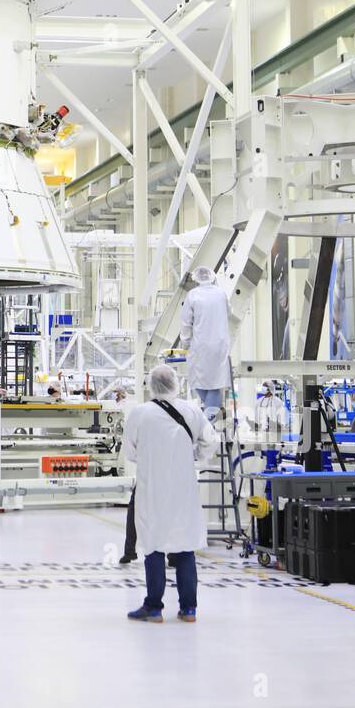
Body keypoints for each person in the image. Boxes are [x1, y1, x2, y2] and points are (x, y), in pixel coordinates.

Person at [122, 365, 218, 623]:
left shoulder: (139, 414)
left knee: (153, 547)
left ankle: (153, 608)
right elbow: (211, 441)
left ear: (150, 385)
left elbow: (130, 453)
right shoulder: (192, 410)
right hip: (183, 490)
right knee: (185, 547)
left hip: (151, 490)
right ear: (176, 383)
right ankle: (189, 610)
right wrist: (194, 455)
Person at [180, 266, 231, 418]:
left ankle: (209, 417)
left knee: (200, 382)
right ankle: (211, 414)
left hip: (200, 346)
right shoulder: (221, 293)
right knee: (215, 382)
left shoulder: (192, 295)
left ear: (196, 279)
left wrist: (185, 343)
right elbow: (230, 312)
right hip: (220, 345)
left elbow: (186, 323)